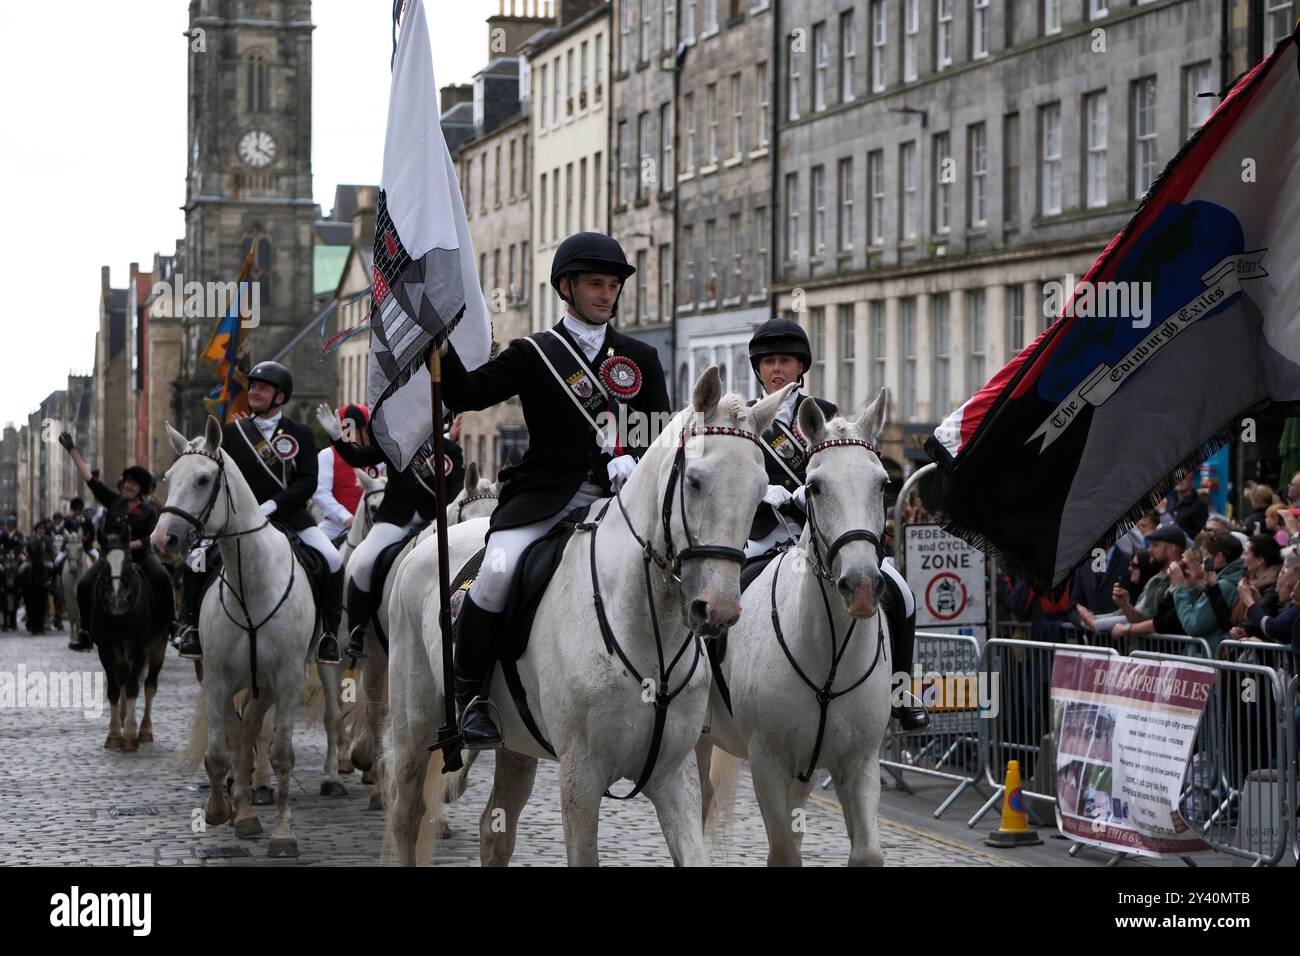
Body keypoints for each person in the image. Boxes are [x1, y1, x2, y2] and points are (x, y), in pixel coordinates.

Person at [438, 231, 670, 748]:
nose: (606, 294)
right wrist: (441, 344)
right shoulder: (534, 353)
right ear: (566, 287)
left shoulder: (641, 357)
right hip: (545, 499)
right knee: (496, 573)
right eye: (595, 284)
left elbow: (657, 428)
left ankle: (683, 694)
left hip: (621, 502)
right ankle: (471, 696)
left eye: (612, 285)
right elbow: (466, 393)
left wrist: (633, 457)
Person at [740, 317, 929, 734]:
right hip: (764, 535)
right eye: (769, 361)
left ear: (800, 366)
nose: (777, 369)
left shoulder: (825, 415)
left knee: (901, 592)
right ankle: (711, 694)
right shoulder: (746, 418)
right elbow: (729, 479)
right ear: (757, 368)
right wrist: (762, 492)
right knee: (724, 590)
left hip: (823, 539)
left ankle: (900, 692)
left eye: (786, 361)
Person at [174, 361, 345, 663]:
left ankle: (328, 635)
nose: (254, 391)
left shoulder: (301, 433)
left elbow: (307, 482)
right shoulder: (233, 433)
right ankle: (190, 629)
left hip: (290, 517)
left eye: (263, 388)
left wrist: (274, 504)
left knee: (332, 560)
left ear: (280, 397)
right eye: (253, 386)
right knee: (195, 561)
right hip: (239, 522)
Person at [314, 403, 463, 661]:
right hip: (395, 519)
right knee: (364, 564)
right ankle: (358, 628)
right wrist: (338, 438)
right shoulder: (397, 444)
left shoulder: (451, 451)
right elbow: (357, 458)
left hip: (434, 523)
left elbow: (456, 489)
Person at [56, 433, 174, 651]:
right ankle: (85, 631)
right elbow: (90, 479)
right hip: (110, 557)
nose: (128, 486)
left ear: (142, 489)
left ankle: (171, 624)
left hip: (139, 555)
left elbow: (149, 538)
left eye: (134, 484)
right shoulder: (114, 501)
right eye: (127, 481)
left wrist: (127, 546)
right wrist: (72, 449)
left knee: (162, 577)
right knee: (83, 585)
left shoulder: (148, 511)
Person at [312, 403, 373, 545]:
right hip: (337, 525)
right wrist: (346, 517)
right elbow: (321, 493)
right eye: (366, 429)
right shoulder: (327, 455)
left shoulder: (378, 455)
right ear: (351, 430)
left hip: (374, 523)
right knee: (318, 550)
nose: (370, 434)